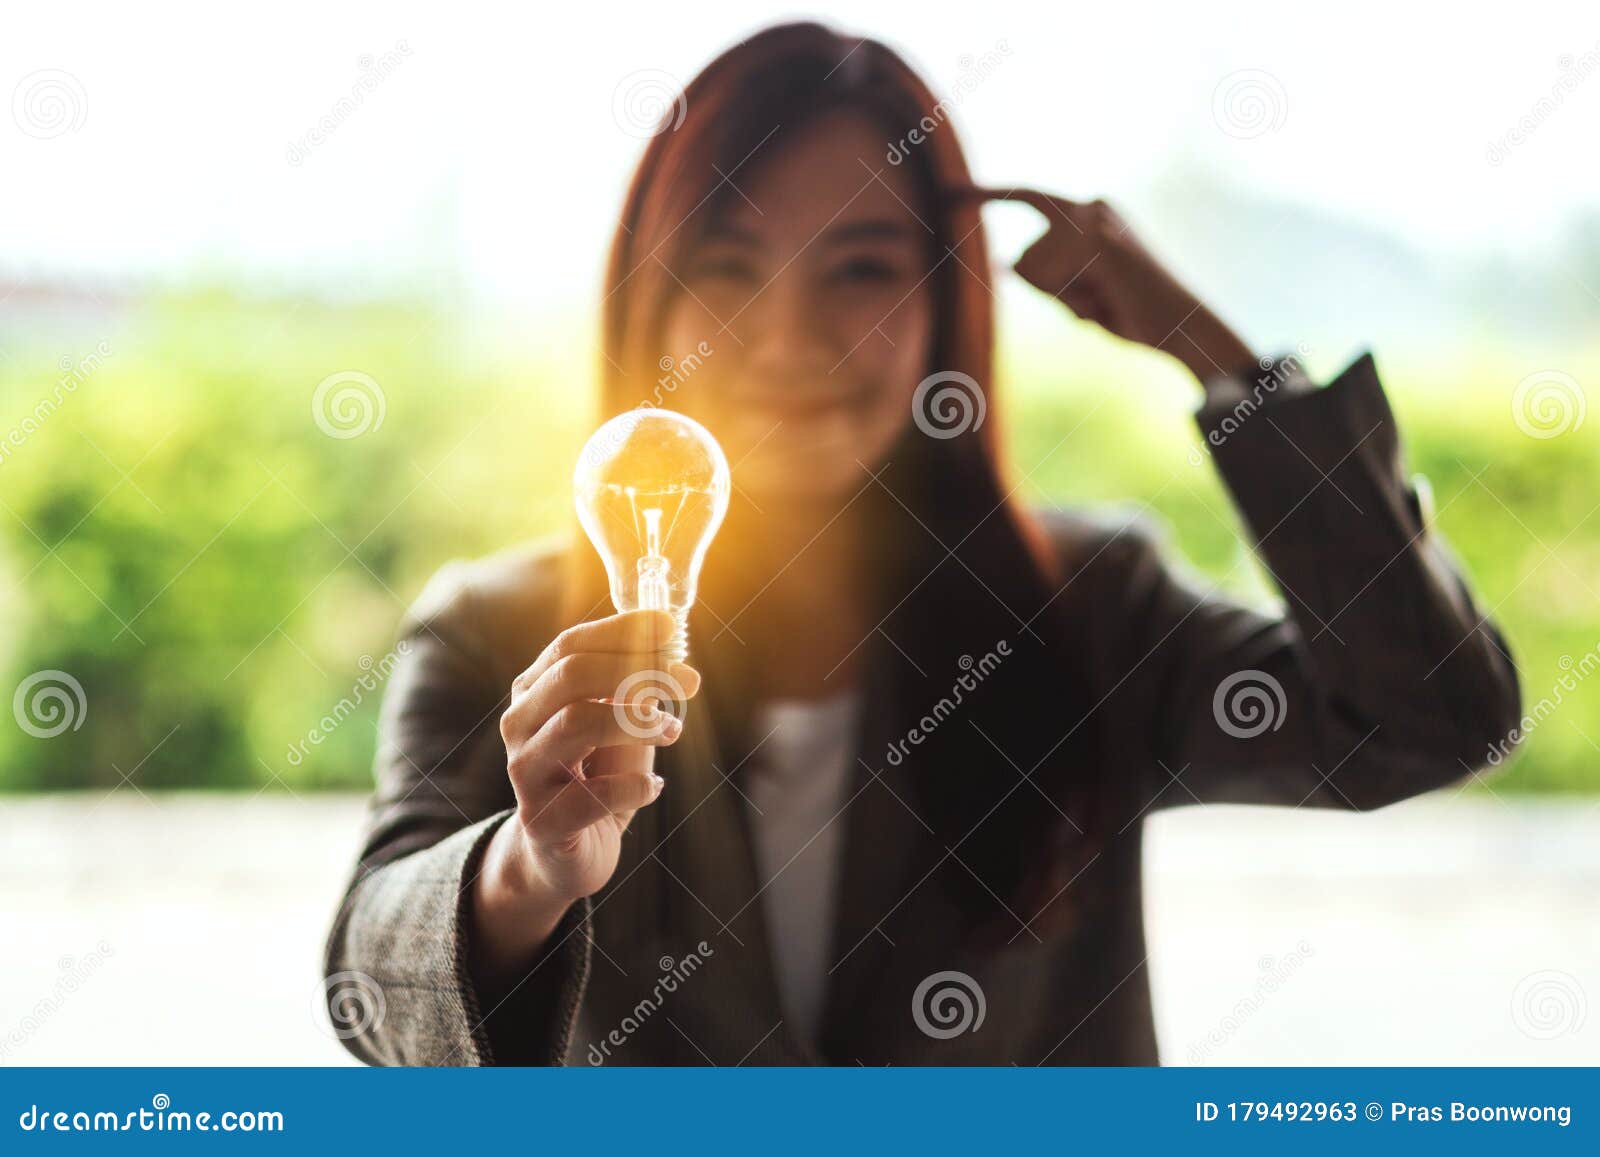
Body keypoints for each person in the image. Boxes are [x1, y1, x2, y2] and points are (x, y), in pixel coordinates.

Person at [323, 21, 1520, 1065]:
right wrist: (529, 867)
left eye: (860, 269)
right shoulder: (496, 634)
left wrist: (1210, 351)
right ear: (650, 296)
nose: (790, 336)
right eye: (731, 266)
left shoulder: (1092, 608)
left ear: (946, 307)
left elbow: (1435, 715)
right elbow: (372, 995)